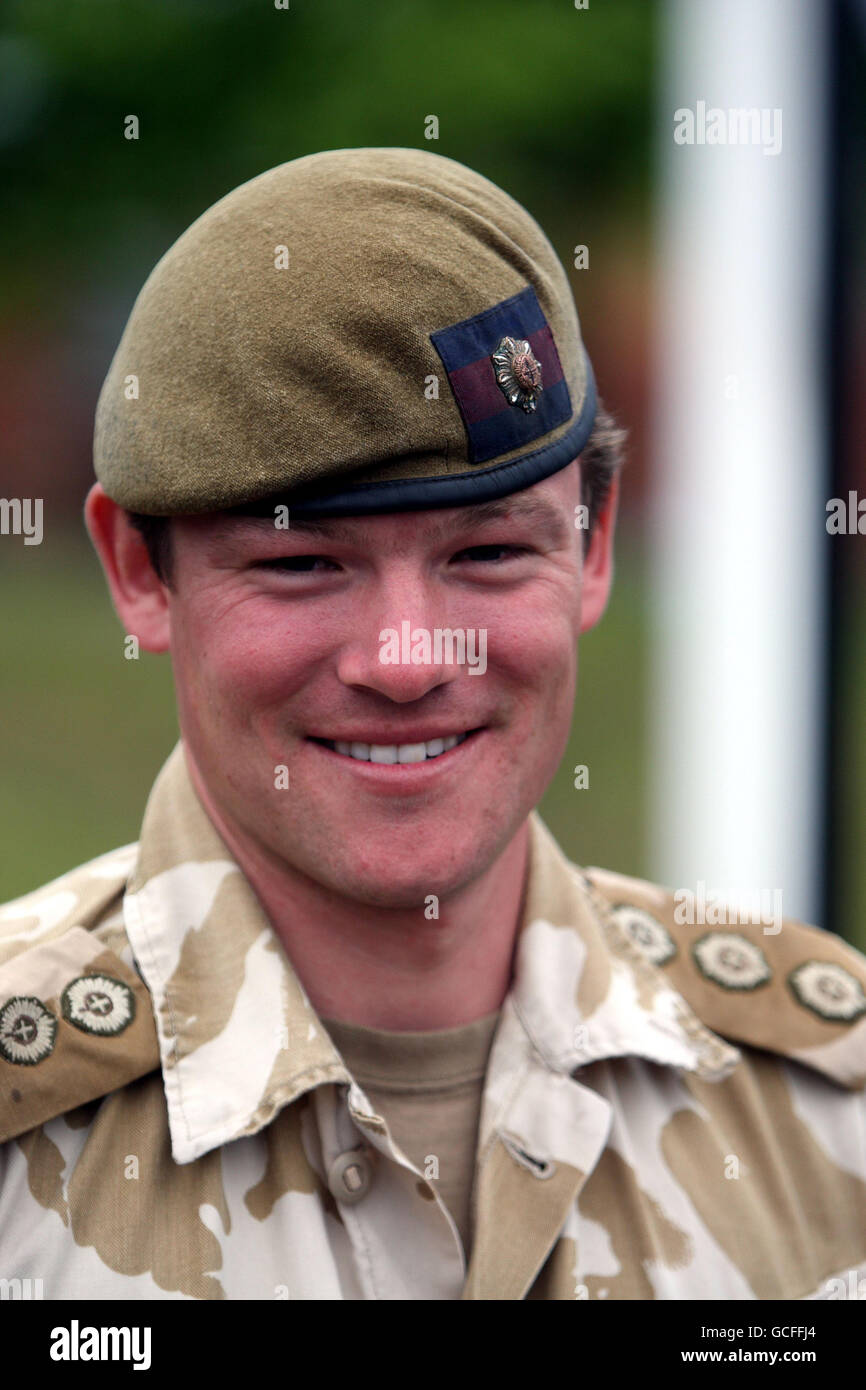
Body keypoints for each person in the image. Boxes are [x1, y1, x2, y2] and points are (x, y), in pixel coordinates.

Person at [1, 147, 865, 1302]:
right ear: (137, 571)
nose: (408, 660)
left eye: (489, 553)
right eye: (302, 563)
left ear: (591, 547)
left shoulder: (823, 1095)